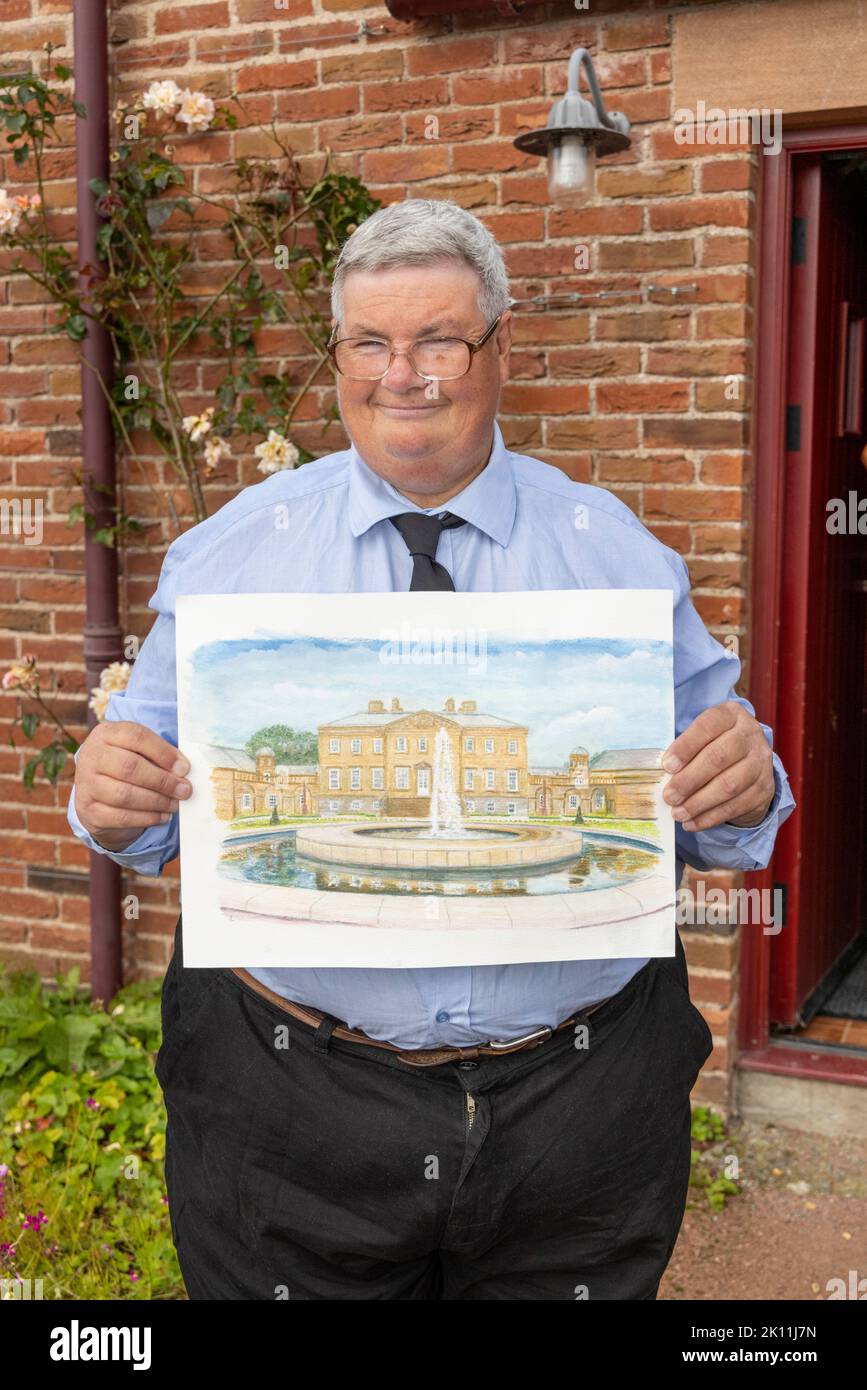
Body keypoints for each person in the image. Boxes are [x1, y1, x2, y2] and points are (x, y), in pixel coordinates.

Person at [67, 198, 794, 1300]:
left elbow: (736, 808)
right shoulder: (230, 559)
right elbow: (152, 813)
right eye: (371, 342)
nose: (404, 374)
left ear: (502, 348)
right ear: (342, 355)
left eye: (440, 339)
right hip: (289, 1100)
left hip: (578, 1109)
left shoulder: (618, 558)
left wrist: (741, 785)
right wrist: (113, 800)